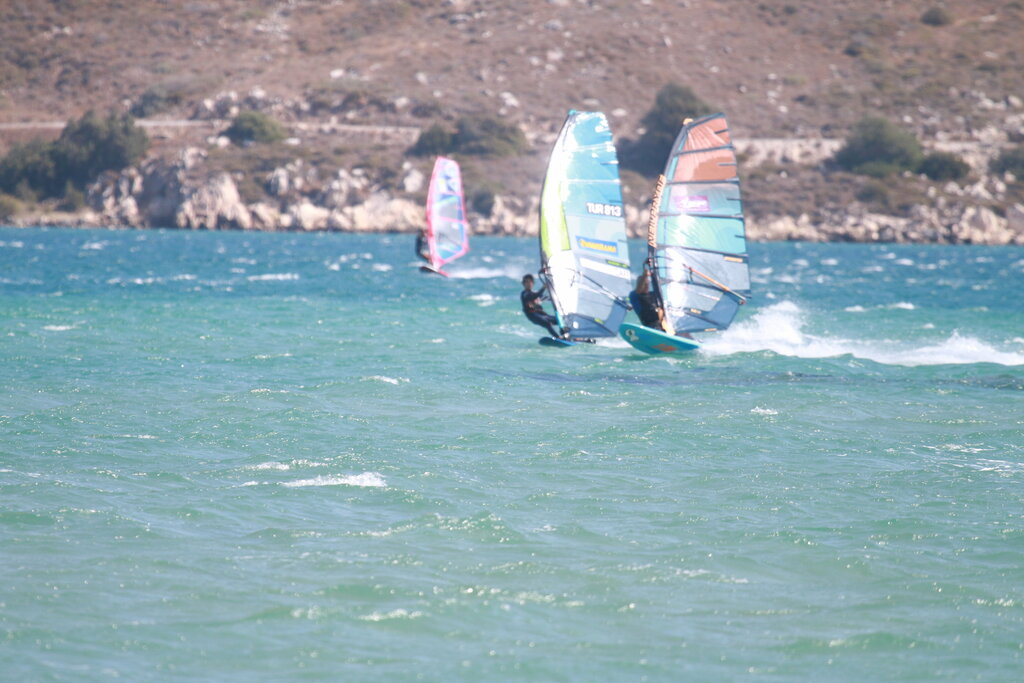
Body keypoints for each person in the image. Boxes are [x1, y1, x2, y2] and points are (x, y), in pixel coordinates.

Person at [520, 274, 565, 339]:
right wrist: (544, 287)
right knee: (547, 324)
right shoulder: (525, 294)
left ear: (533, 283)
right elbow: (534, 296)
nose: (529, 283)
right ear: (523, 284)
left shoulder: (533, 293)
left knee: (560, 320)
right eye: (526, 282)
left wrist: (555, 298)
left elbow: (544, 297)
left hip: (541, 315)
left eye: (530, 282)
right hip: (533, 316)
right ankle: (558, 337)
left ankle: (566, 334)